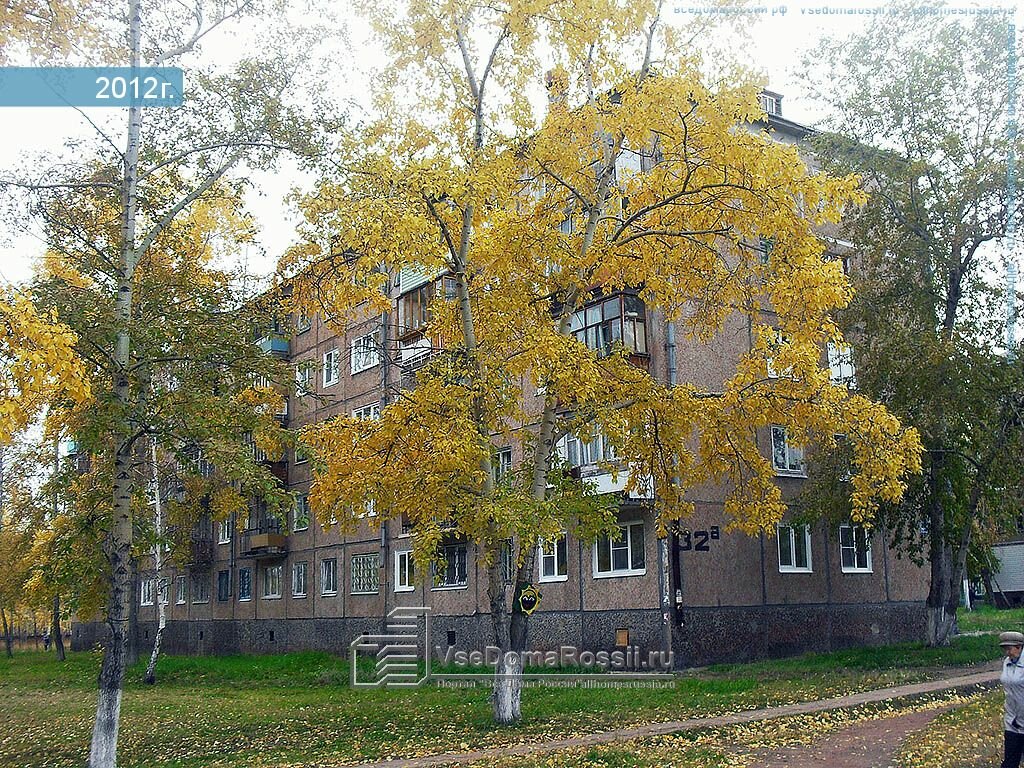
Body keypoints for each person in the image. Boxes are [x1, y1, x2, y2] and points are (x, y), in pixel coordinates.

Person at [1001, 631, 1024, 768]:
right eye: (1005, 649)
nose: (1007, 653)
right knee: (1010, 762)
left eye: (1009, 649)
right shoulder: (1007, 662)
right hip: (1012, 719)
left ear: (1019, 646)